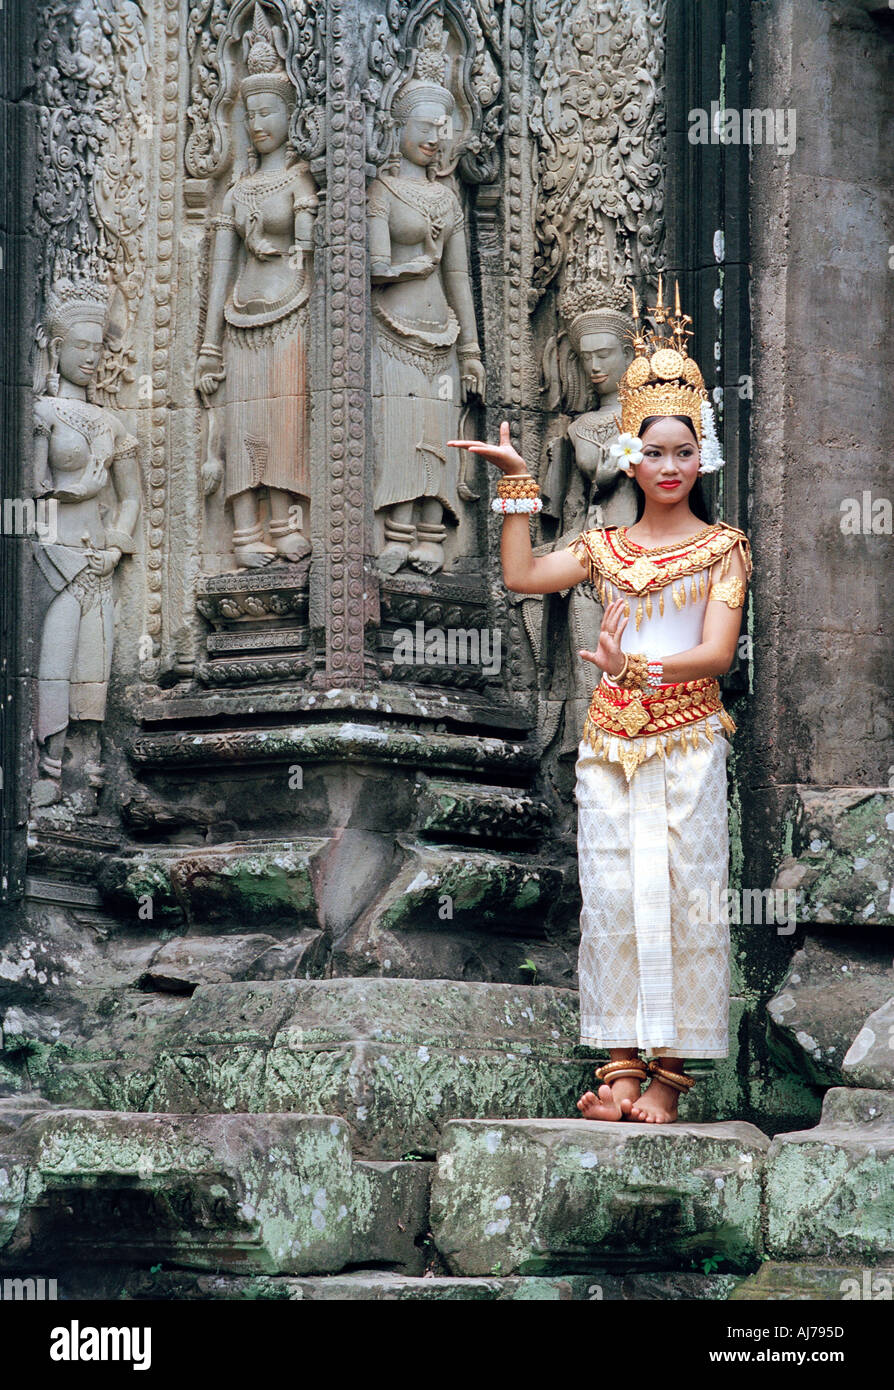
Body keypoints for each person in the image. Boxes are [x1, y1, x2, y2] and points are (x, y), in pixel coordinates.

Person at [449, 281, 752, 1124]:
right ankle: (618, 1067)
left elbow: (717, 654)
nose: (666, 466)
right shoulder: (603, 547)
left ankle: (668, 1077)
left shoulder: (723, 548)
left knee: (684, 896)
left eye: (681, 452)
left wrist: (638, 669)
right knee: (615, 895)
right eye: (652, 452)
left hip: (687, 741)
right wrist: (517, 489)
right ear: (629, 454)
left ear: (702, 458)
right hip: (611, 744)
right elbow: (522, 575)